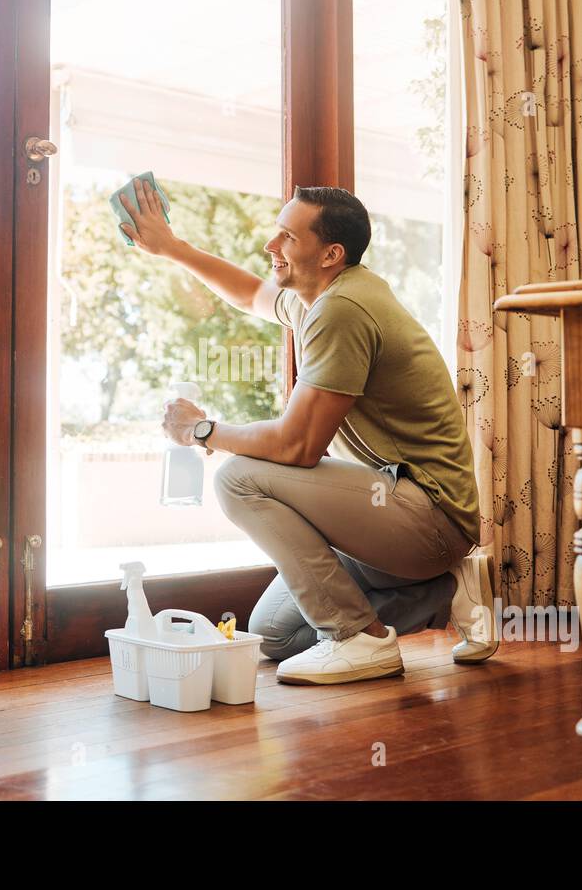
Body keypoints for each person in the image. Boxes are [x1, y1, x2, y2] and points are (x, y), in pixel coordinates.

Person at [120, 179, 495, 686]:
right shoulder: (318, 293)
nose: (270, 247)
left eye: (287, 238)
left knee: (238, 479)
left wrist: (202, 431)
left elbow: (298, 447)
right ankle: (445, 589)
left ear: (330, 254)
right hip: (388, 513)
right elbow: (252, 292)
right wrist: (173, 248)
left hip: (427, 514)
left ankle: (360, 639)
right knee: (276, 636)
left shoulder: (344, 310)